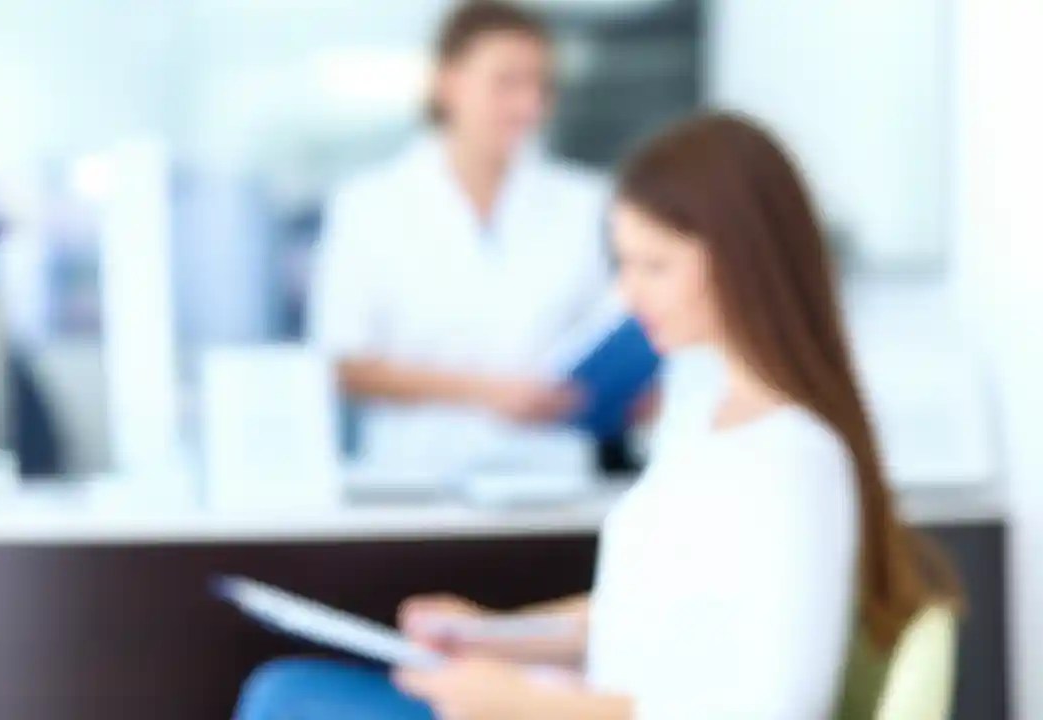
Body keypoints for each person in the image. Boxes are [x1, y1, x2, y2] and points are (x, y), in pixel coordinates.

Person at [235, 112, 962, 719]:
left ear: (739, 259)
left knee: (285, 702)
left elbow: (768, 708)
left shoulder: (795, 460)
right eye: (625, 264)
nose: (628, 293)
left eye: (654, 266)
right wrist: (494, 636)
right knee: (286, 695)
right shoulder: (706, 418)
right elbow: (640, 615)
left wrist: (524, 702)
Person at [308, 0, 629, 477]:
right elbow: (343, 363)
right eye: (506, 83)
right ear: (447, 82)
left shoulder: (584, 202)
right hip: (417, 481)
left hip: (554, 478)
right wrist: (489, 393)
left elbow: (606, 329)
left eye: (540, 84)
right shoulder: (369, 205)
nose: (529, 105)